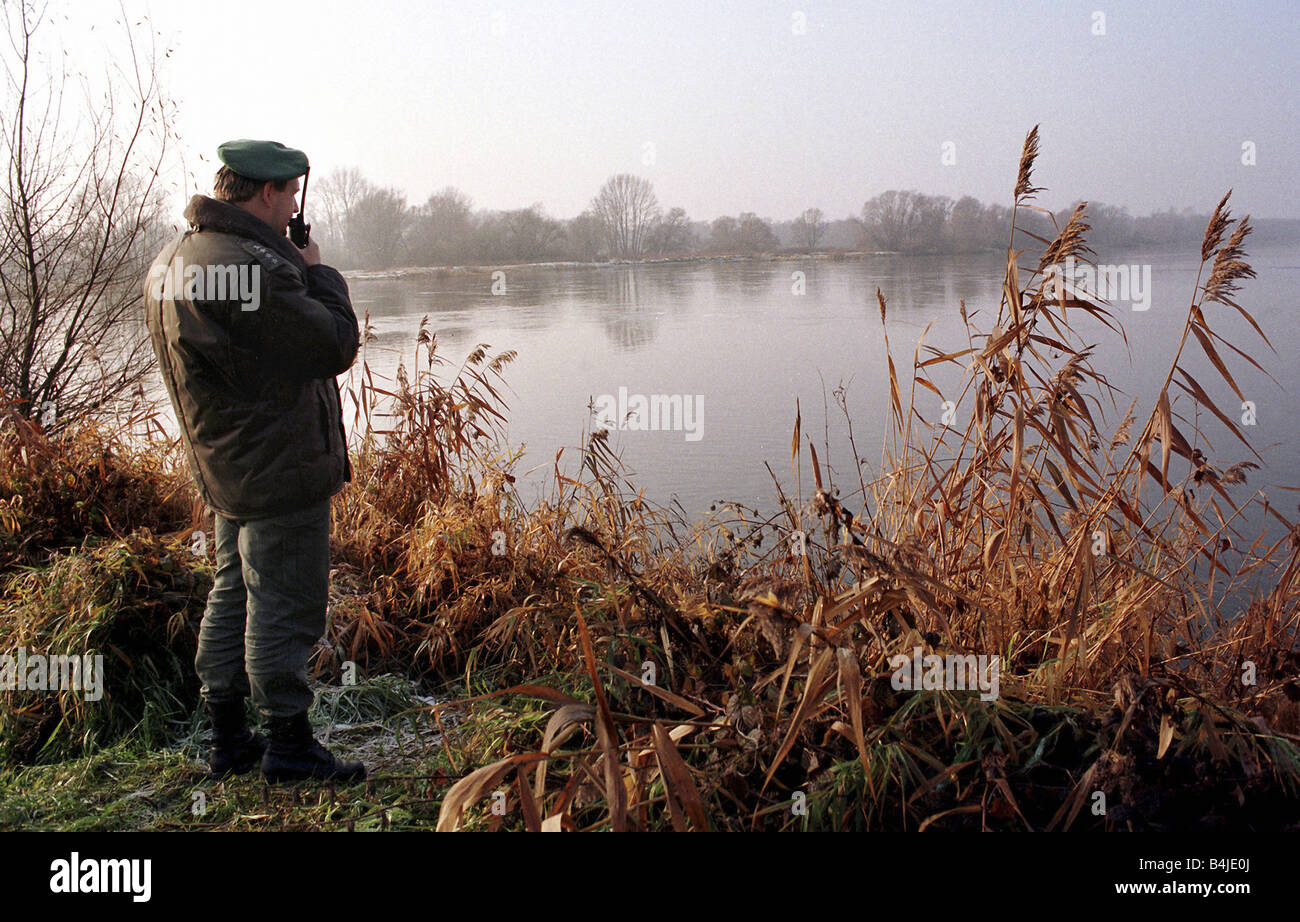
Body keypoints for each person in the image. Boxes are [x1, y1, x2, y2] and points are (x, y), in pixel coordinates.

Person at [143, 139, 365, 783]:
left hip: (224, 466)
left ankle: (228, 738)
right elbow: (331, 342)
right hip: (276, 469)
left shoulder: (174, 258)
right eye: (290, 194)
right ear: (267, 193)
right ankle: (290, 751)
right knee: (283, 606)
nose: (293, 205)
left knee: (233, 593)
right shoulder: (245, 267)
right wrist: (317, 271)